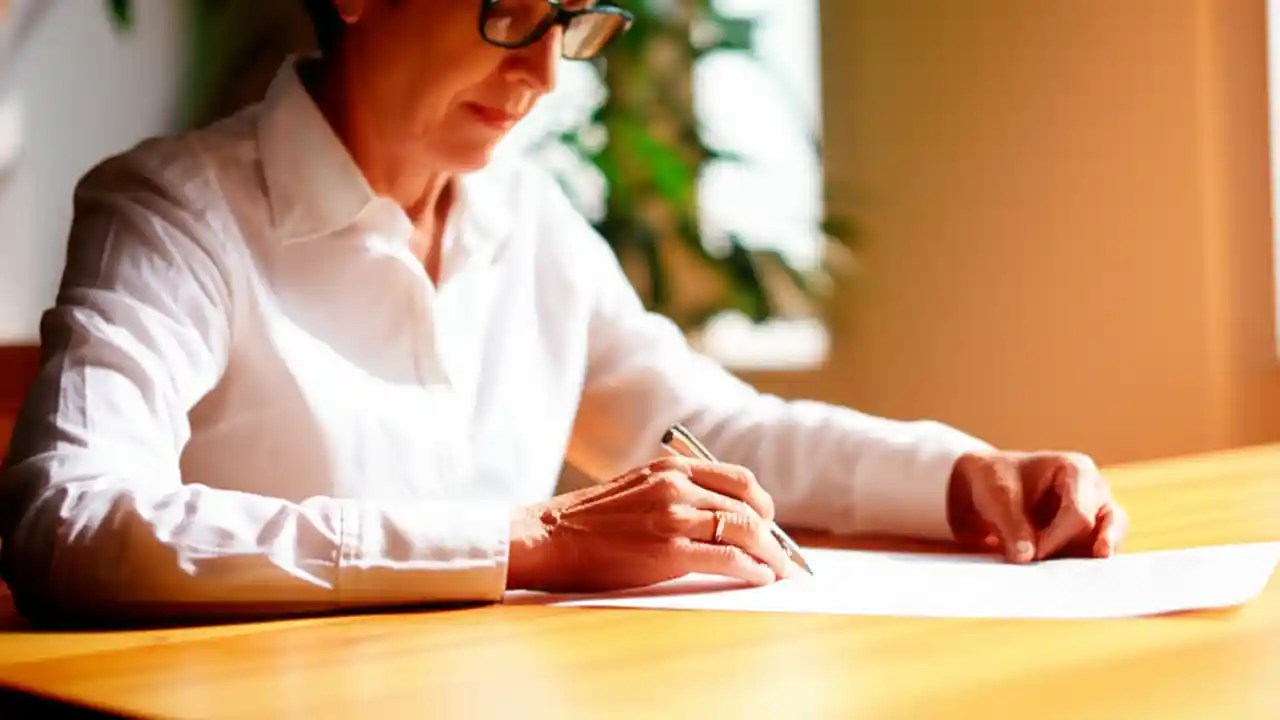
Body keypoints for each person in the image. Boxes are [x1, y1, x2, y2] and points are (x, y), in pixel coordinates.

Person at [0, 0, 1126, 622]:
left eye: (573, 21)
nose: (544, 74)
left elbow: (703, 428)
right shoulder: (176, 212)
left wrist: (958, 476)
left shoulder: (524, 218)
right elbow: (68, 523)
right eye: (507, 14)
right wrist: (526, 542)